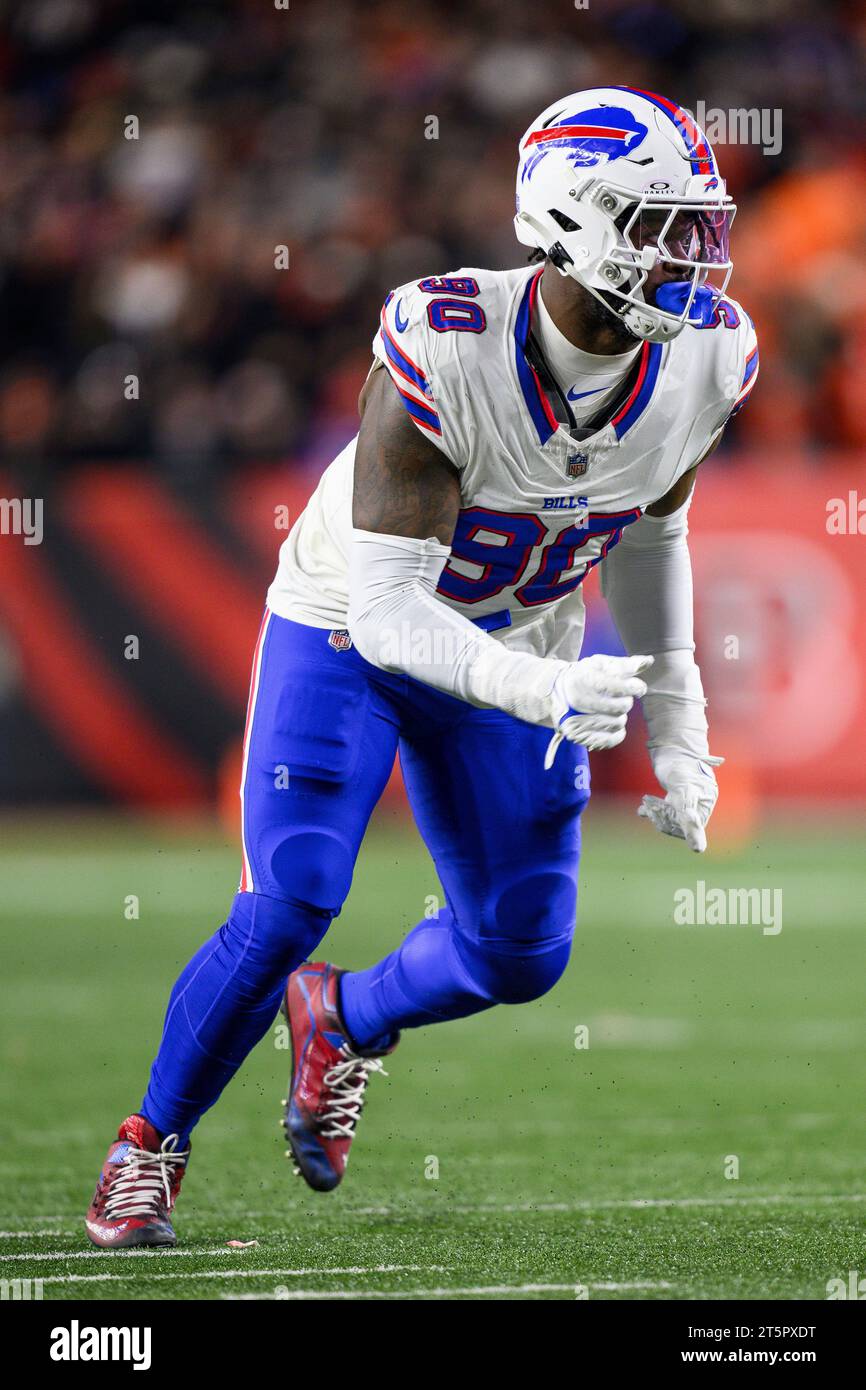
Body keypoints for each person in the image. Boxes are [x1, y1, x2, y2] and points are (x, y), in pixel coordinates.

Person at [85, 86, 758, 1246]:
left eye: (696, 227)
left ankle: (340, 1018)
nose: (687, 257)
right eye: (655, 226)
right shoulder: (441, 340)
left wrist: (681, 729)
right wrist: (547, 689)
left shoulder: (708, 357)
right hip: (351, 630)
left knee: (518, 954)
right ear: (565, 219)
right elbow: (393, 615)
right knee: (290, 898)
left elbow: (653, 530)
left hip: (518, 641)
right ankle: (149, 1142)